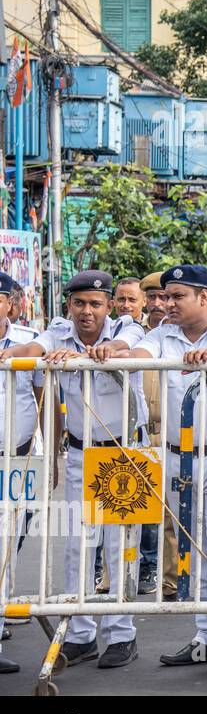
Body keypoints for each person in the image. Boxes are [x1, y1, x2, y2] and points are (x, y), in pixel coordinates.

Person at [109, 266, 207, 680]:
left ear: (203, 298)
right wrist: (114, 353)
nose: (166, 305)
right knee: (192, 547)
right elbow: (138, 353)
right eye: (164, 297)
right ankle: (205, 636)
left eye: (176, 297)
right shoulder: (162, 334)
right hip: (176, 457)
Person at [2, 271, 146, 669]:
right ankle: (80, 634)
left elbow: (126, 345)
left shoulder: (125, 327)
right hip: (81, 452)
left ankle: (121, 635)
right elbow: (35, 345)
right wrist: (11, 355)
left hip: (123, 452)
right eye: (79, 303)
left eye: (95, 304)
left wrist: (101, 351)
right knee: (78, 545)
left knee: (120, 547)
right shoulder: (60, 332)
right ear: (69, 305)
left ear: (108, 306)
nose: (87, 312)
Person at [0, 270, 43, 674]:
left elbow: (43, 393)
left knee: (11, 539)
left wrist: (48, 452)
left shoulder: (30, 340)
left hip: (18, 458)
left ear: (10, 303)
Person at [137, 270, 173, 600]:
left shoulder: (176, 337)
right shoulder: (136, 337)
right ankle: (124, 573)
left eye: (165, 297)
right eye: (153, 298)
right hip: (139, 435)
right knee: (136, 509)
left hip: (171, 435)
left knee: (171, 516)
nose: (159, 304)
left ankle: (172, 580)